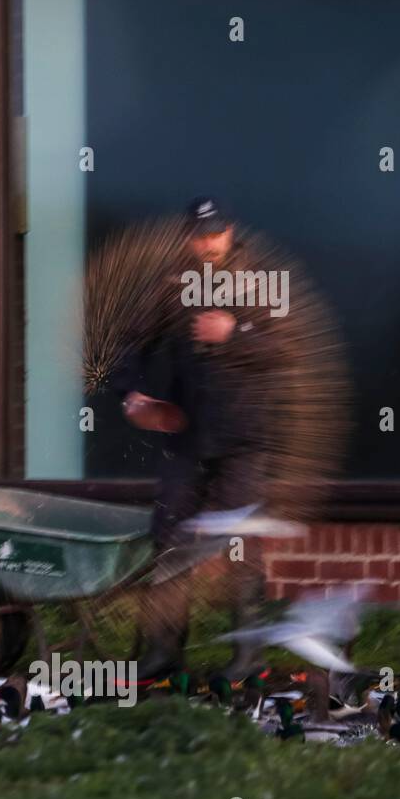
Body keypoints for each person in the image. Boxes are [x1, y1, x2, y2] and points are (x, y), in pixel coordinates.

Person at [109, 197, 270, 680]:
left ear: (230, 232)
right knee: (170, 539)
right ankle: (162, 651)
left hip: (242, 439)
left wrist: (235, 331)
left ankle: (248, 656)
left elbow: (284, 350)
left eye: (216, 233)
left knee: (239, 545)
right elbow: (132, 340)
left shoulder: (261, 281)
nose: (208, 243)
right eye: (200, 235)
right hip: (187, 436)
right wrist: (132, 393)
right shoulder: (170, 284)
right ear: (188, 237)